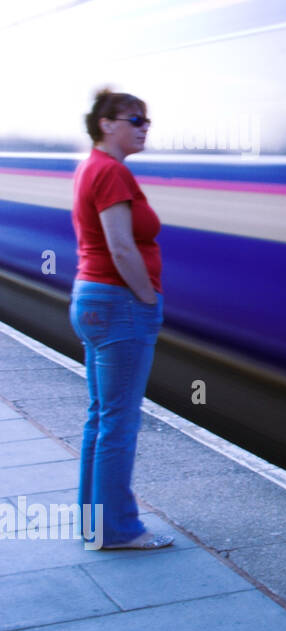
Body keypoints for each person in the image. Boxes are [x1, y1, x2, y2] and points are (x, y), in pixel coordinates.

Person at [68, 89, 173, 549]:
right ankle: (117, 530)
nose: (144, 127)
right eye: (135, 119)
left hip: (93, 299)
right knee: (119, 422)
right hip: (118, 305)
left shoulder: (92, 166)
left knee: (101, 417)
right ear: (107, 123)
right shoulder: (111, 173)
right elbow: (122, 246)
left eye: (147, 120)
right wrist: (147, 298)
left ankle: (95, 524)